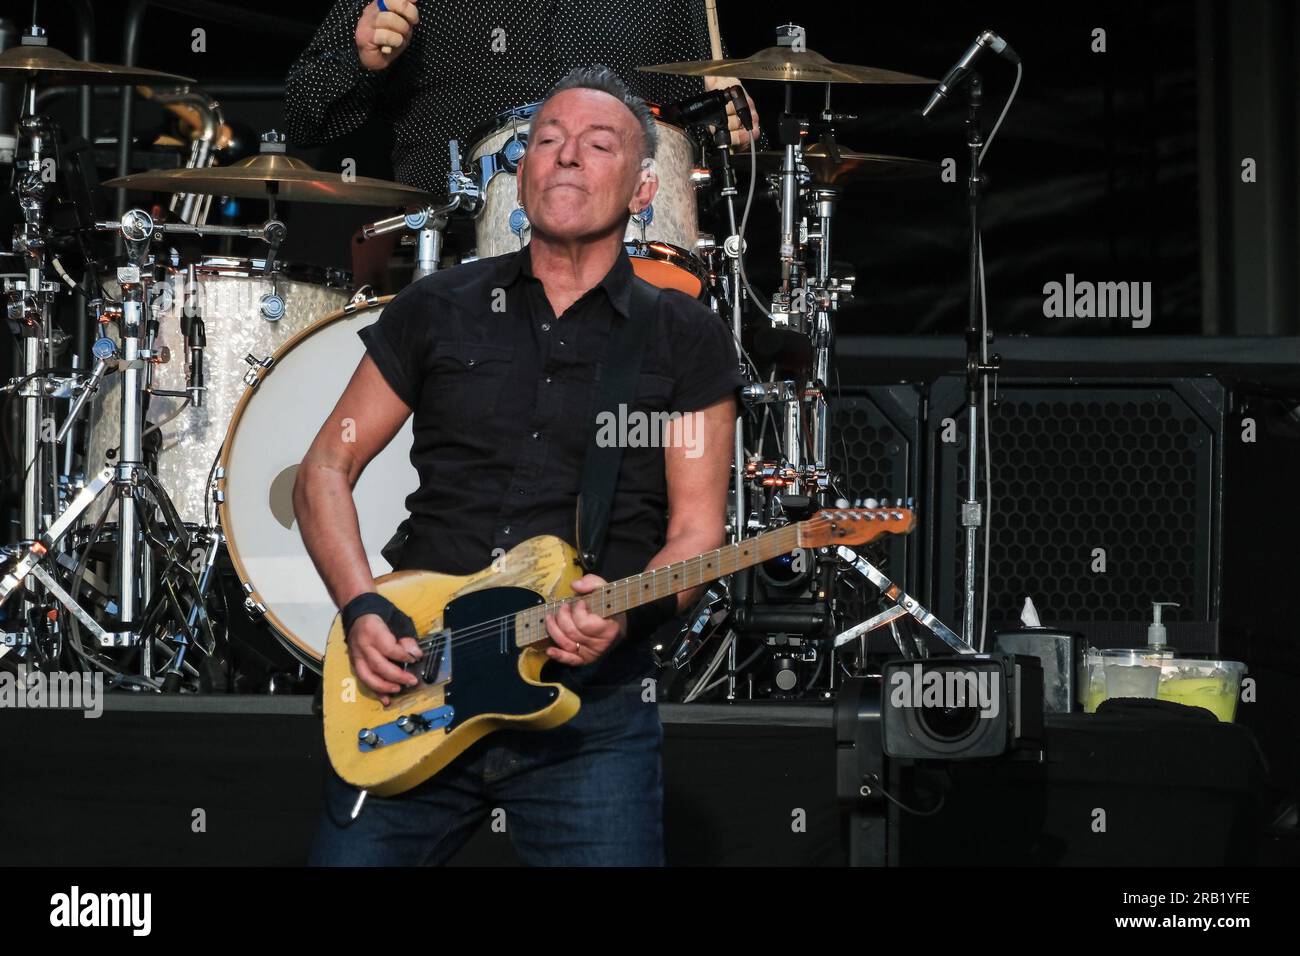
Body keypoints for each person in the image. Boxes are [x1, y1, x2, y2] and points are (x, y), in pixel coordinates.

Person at [294, 65, 745, 865]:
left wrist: (622, 614)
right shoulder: (438, 307)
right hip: (415, 677)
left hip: (588, 718)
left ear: (644, 191)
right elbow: (325, 467)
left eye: (597, 144)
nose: (567, 157)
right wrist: (362, 607)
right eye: (548, 140)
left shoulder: (685, 337)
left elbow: (697, 534)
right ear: (521, 174)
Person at [283, 0, 760, 198]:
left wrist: (727, 123)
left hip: (633, 264)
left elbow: (686, 130)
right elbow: (303, 115)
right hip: (459, 265)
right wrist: (360, 58)